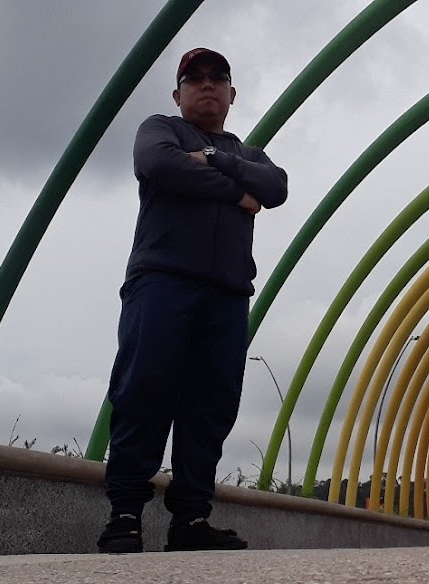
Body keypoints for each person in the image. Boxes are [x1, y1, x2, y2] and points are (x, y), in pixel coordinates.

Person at [97, 48, 289, 553]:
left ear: (232, 94)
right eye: (194, 78)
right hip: (162, 281)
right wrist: (233, 192)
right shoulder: (160, 128)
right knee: (145, 388)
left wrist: (215, 160)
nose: (206, 84)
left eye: (217, 77)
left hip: (227, 293)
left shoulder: (247, 153)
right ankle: (124, 513)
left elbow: (276, 186)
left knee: (211, 404)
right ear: (177, 93)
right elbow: (158, 164)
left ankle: (190, 520)